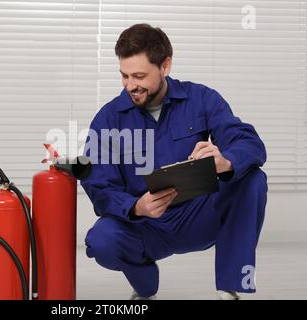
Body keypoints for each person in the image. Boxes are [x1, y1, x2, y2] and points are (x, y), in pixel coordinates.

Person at [80, 23, 268, 300]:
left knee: (252, 178)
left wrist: (224, 161)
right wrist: (135, 207)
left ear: (165, 66)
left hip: (198, 216)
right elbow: (98, 185)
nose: (131, 85)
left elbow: (250, 144)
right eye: (124, 76)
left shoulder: (201, 99)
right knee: (100, 241)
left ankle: (232, 287)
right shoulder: (108, 118)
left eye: (139, 76)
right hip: (145, 225)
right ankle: (145, 289)